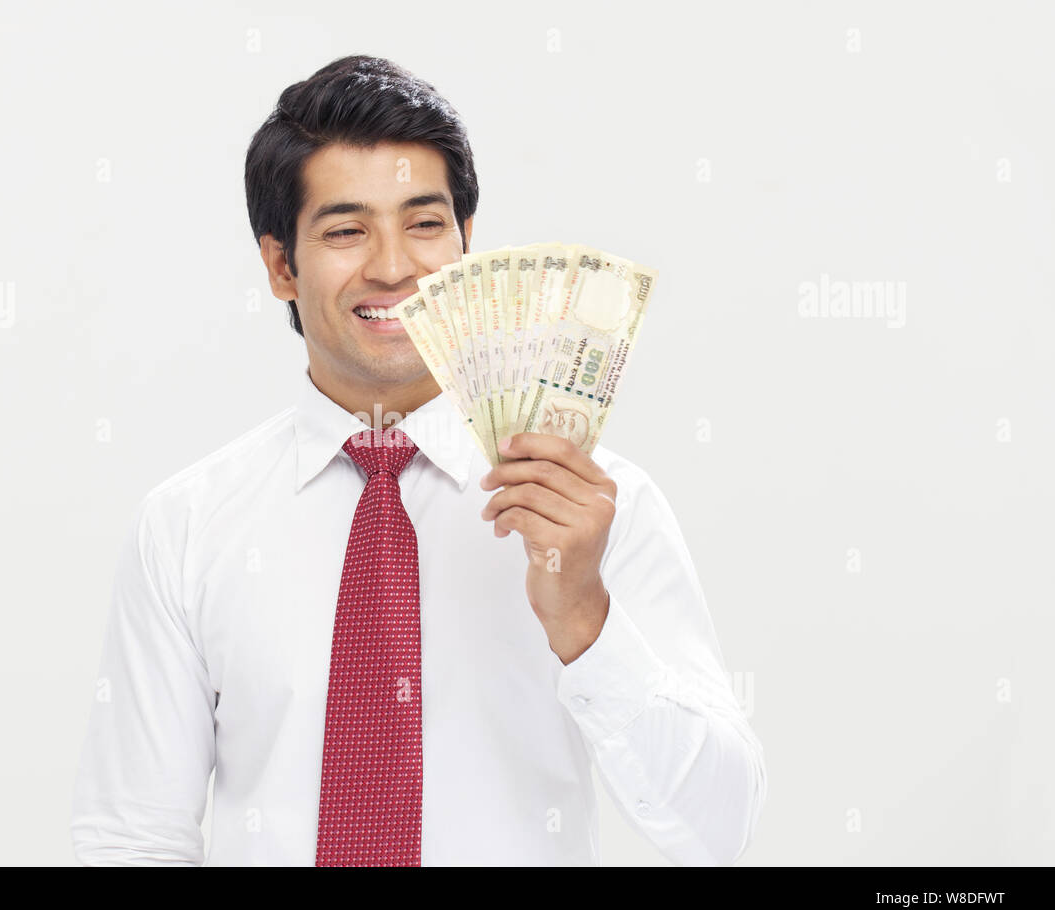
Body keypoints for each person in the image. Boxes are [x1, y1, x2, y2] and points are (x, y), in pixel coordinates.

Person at [70, 54, 766, 866]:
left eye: (425, 224)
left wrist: (584, 617)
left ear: (468, 243)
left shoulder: (599, 508)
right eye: (346, 230)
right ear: (281, 265)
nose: (394, 267)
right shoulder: (187, 526)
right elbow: (133, 837)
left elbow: (719, 829)